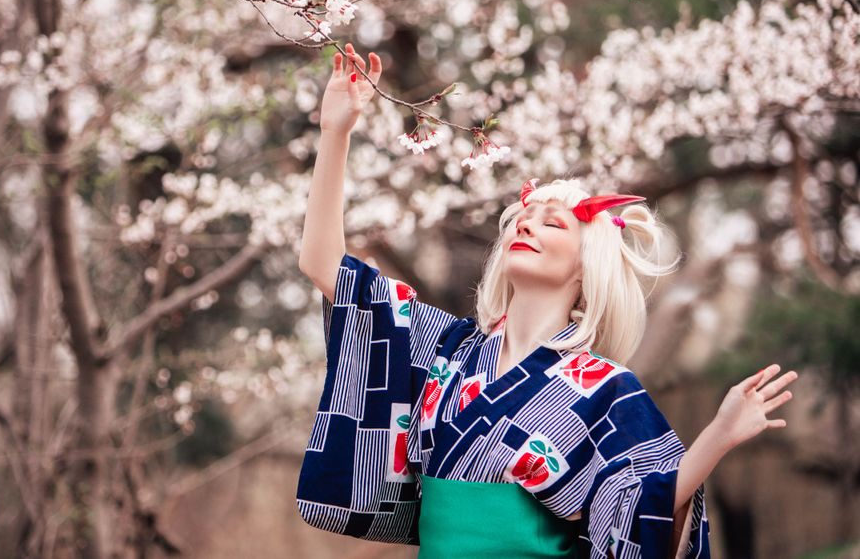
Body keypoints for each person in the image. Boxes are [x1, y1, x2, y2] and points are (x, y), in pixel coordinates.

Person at [296, 43, 798, 558]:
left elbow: (643, 504)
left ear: (586, 267)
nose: (528, 225)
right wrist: (336, 133)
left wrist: (718, 435)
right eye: (522, 220)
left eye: (552, 223)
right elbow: (325, 267)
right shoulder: (445, 350)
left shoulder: (606, 388)